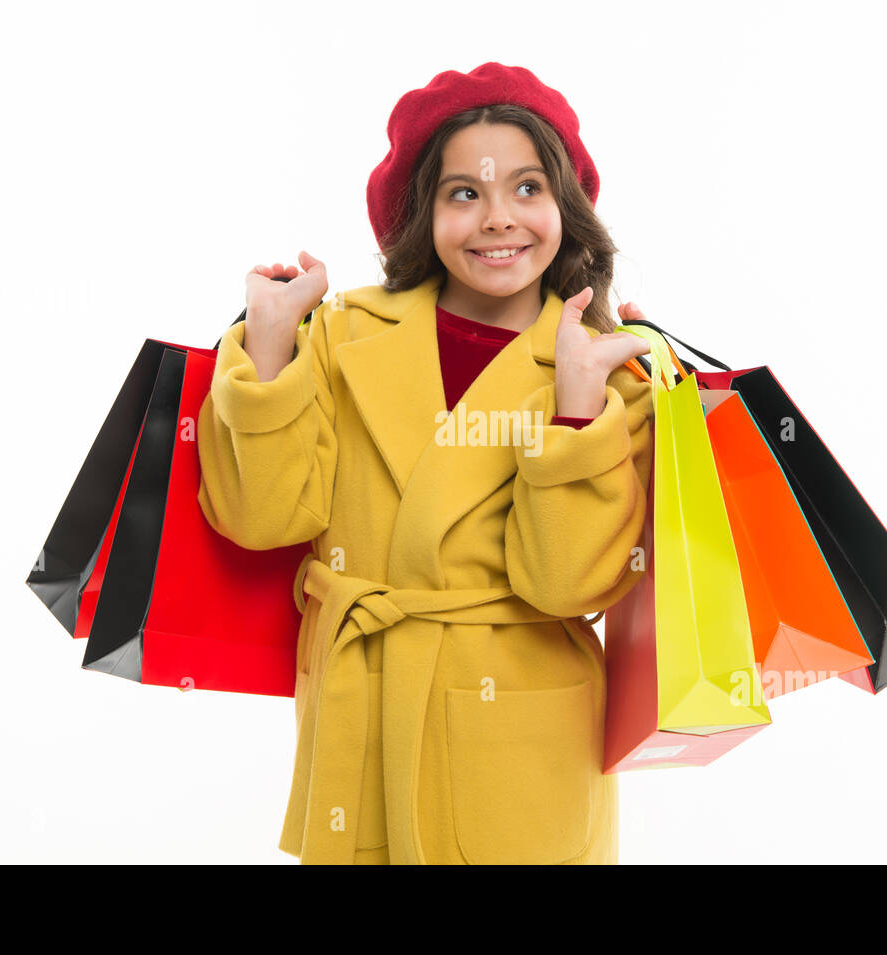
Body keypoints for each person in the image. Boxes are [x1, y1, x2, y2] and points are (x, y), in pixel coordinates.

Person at [196, 62, 655, 864]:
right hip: (360, 712)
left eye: (527, 188)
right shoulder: (340, 336)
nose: (498, 220)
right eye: (464, 193)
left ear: (565, 208)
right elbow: (260, 519)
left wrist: (577, 411)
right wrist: (269, 347)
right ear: (424, 214)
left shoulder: (612, 374)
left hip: (523, 753)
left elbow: (566, 586)